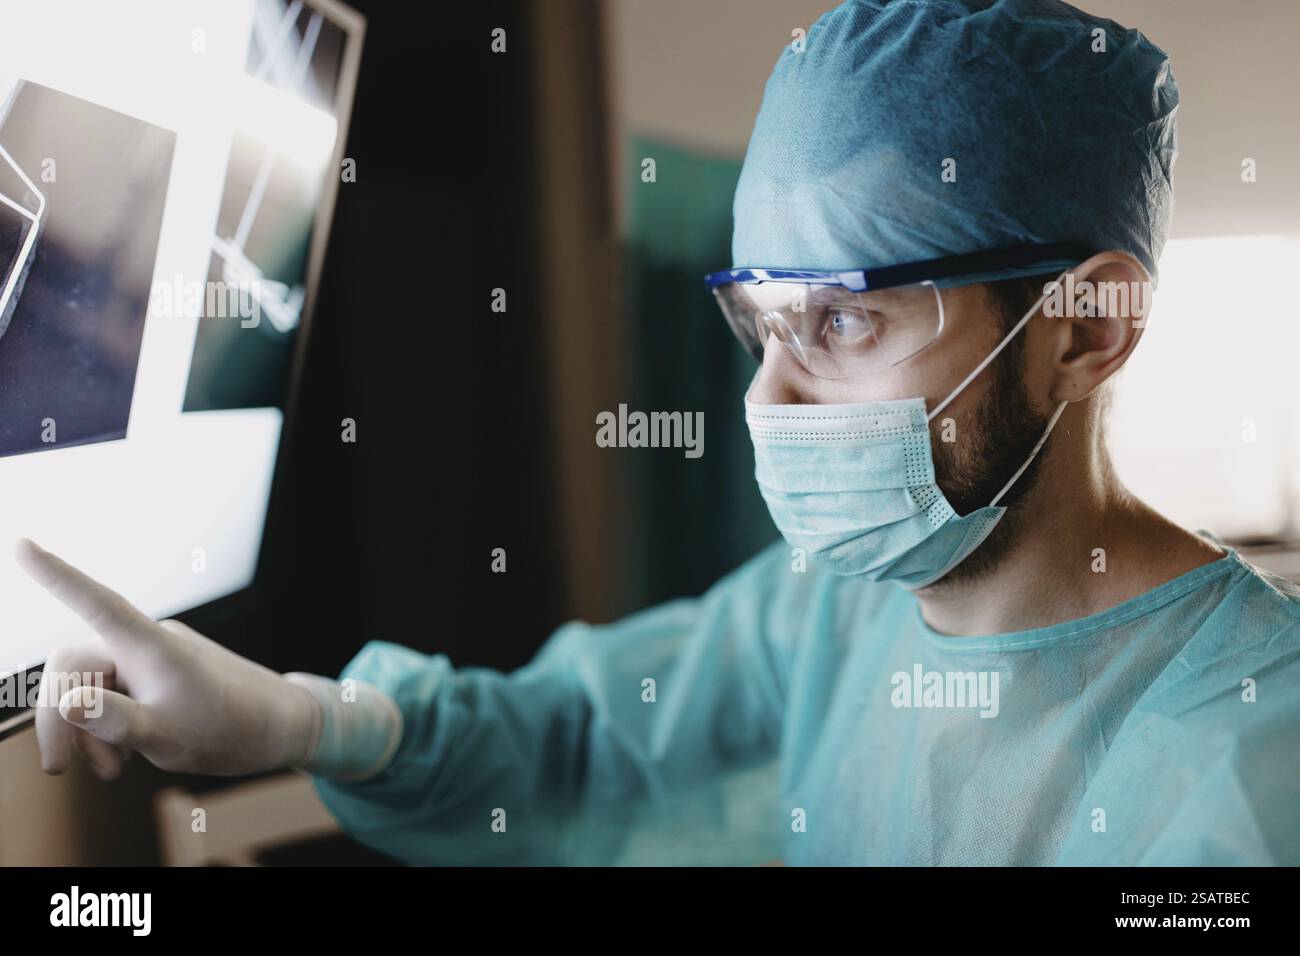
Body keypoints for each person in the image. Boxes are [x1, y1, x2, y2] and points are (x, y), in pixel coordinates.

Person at [15, 0, 1300, 865]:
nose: (766, 402)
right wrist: (296, 725)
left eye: (842, 326)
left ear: (1088, 324)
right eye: (759, 327)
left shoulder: (1251, 758)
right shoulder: (830, 610)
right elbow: (570, 732)